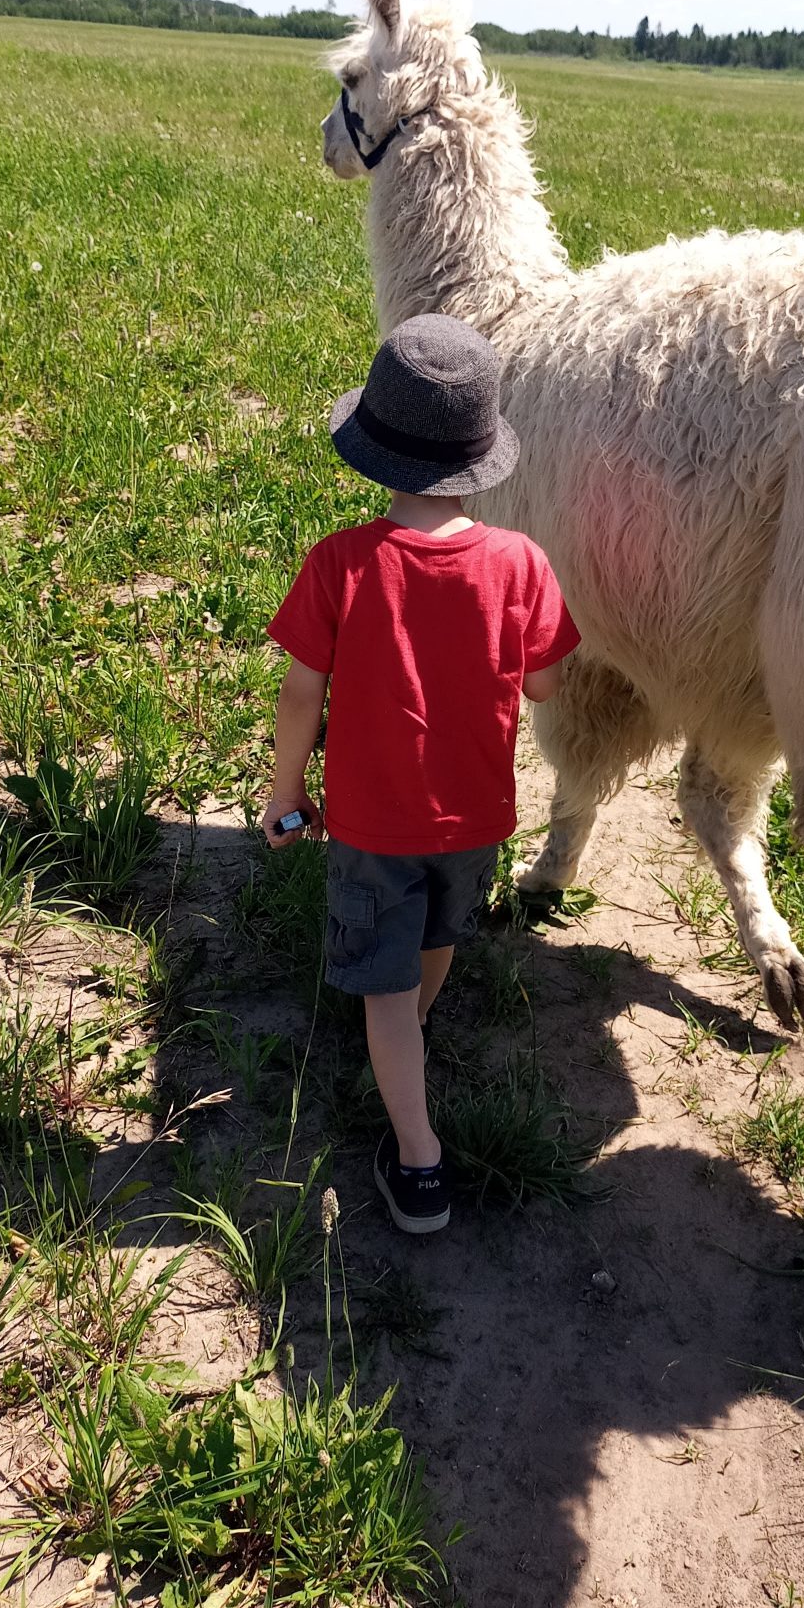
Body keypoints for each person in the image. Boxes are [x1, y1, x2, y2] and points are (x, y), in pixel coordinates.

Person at [262, 314, 580, 1235]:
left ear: (375, 450)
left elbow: (300, 695)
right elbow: (547, 685)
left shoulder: (341, 562)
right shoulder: (521, 564)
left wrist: (287, 792)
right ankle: (410, 1019)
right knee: (438, 934)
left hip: (375, 825)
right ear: (482, 454)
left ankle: (419, 1158)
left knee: (385, 986)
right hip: (475, 819)